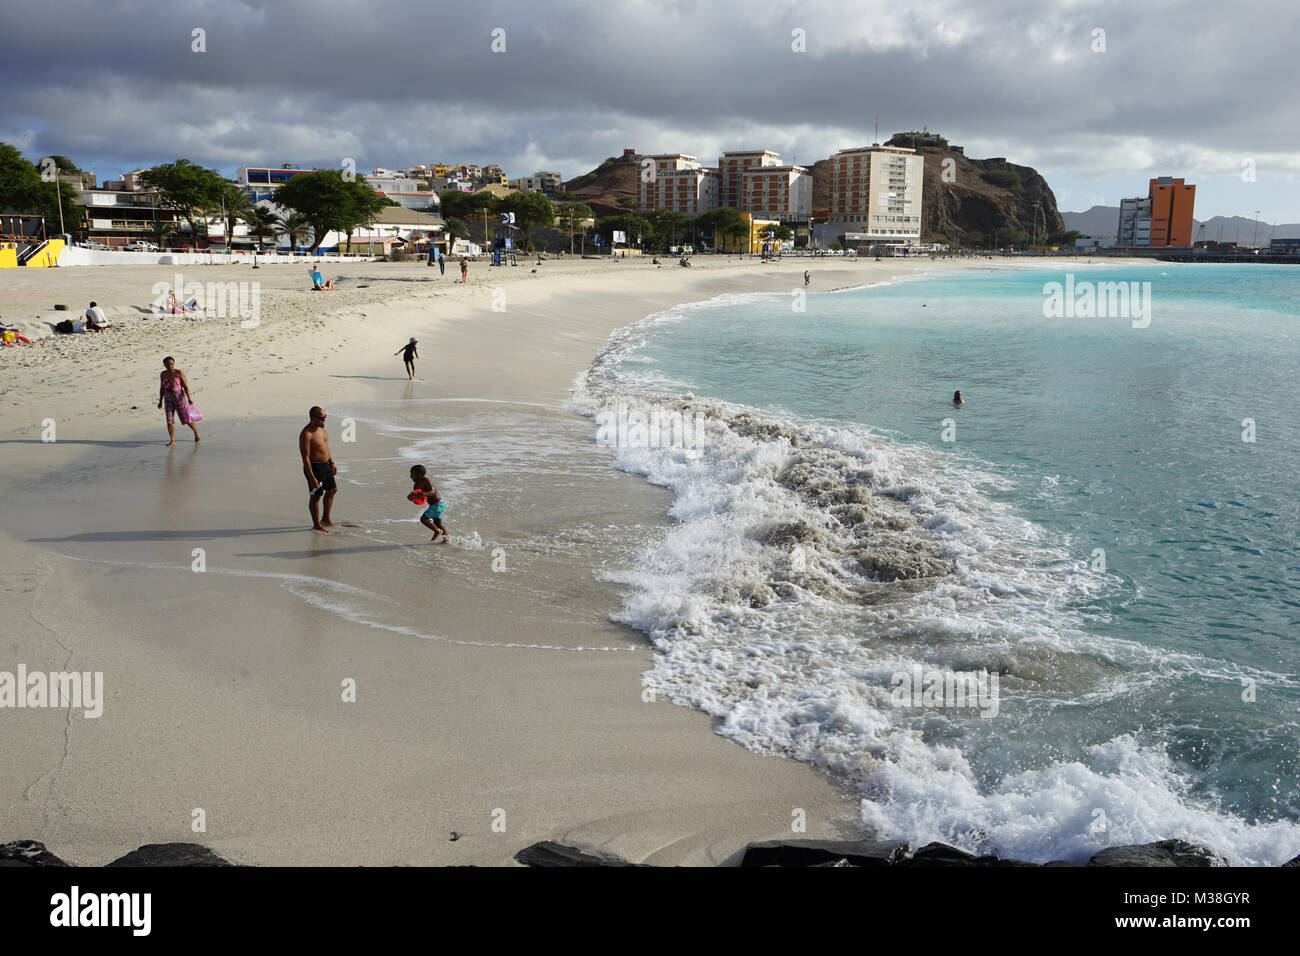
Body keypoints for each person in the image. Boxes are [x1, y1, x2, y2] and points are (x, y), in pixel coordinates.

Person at [299, 406, 337, 532]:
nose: (323, 421)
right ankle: (316, 525)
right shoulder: (306, 434)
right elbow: (305, 458)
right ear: (312, 418)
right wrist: (312, 477)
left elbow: (325, 446)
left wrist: (331, 462)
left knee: (332, 490)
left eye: (325, 418)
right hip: (314, 467)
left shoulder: (321, 429)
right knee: (316, 496)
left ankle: (325, 518)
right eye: (321, 418)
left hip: (326, 465)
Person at [158, 356, 200, 445]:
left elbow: (185, 386)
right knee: (169, 419)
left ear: (174, 364)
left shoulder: (179, 373)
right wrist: (160, 401)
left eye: (171, 364)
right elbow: (162, 387)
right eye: (167, 364)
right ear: (164, 365)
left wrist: (189, 398)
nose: (170, 366)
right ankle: (172, 440)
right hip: (168, 397)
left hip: (179, 397)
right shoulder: (163, 374)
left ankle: (196, 432)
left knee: (186, 418)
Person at [408, 464, 447, 543]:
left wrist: (424, 494)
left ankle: (437, 531)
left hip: (437, 504)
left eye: (412, 474)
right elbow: (420, 499)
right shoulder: (416, 486)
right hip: (435, 505)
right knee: (438, 523)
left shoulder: (426, 480)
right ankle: (446, 539)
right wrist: (413, 498)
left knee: (423, 519)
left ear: (419, 475)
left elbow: (433, 491)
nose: (410, 476)